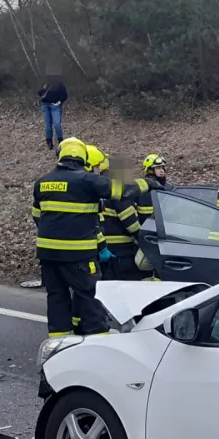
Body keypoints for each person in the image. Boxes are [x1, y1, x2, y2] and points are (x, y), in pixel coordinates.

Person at [32, 138, 140, 338]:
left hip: (48, 255)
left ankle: (60, 342)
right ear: (83, 158)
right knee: (90, 295)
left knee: (57, 296)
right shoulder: (87, 181)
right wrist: (148, 184)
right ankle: (97, 339)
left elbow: (37, 217)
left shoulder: (42, 182)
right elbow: (122, 191)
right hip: (79, 255)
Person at [86, 145, 144, 281]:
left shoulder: (90, 192)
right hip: (123, 252)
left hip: (98, 250)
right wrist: (144, 242)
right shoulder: (116, 193)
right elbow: (131, 223)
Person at [38, 75, 68, 151]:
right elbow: (39, 93)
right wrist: (43, 89)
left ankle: (61, 142)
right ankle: (49, 142)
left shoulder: (59, 83)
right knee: (48, 125)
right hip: (45, 105)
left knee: (57, 124)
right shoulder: (44, 82)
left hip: (55, 106)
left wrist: (59, 102)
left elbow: (65, 95)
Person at [135, 154, 168, 223]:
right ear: (150, 170)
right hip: (150, 225)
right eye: (158, 168)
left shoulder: (165, 185)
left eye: (162, 168)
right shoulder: (146, 188)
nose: (162, 171)